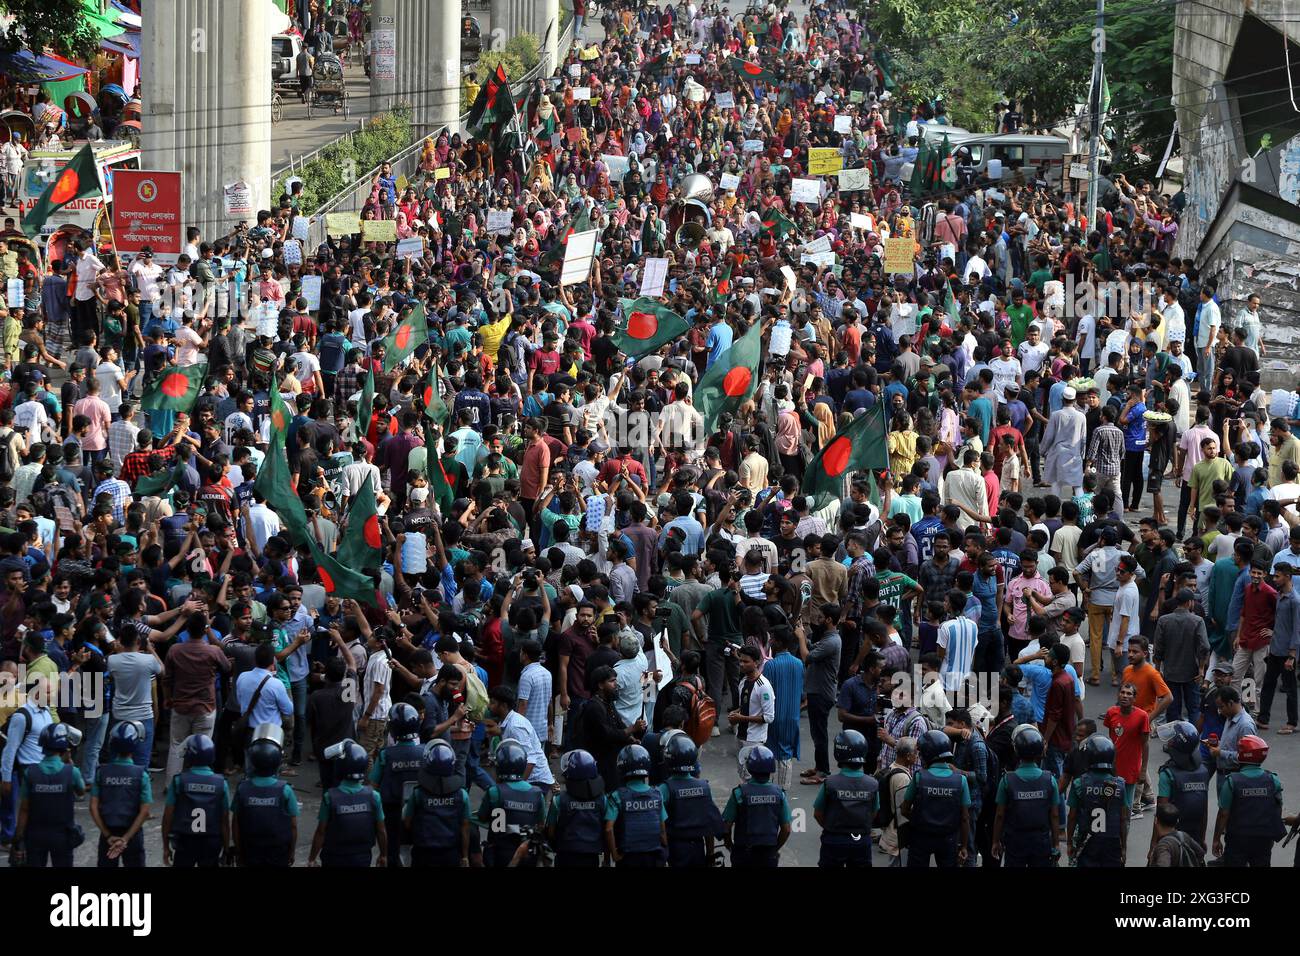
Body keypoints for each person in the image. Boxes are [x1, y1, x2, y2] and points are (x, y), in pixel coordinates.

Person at [13, 723, 85, 867]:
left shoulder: (31, 773)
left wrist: (18, 837)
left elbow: (24, 809)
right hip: (63, 835)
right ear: (65, 749)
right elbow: (81, 792)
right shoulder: (72, 772)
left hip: (35, 835)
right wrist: (70, 763)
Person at [309, 739, 386, 867]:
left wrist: (312, 858)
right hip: (362, 858)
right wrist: (383, 855)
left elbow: (321, 832)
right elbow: (381, 830)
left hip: (333, 857)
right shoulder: (374, 796)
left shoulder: (330, 797)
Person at [901, 729, 971, 868]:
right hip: (948, 839)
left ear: (927, 754)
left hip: (920, 838)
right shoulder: (961, 780)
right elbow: (964, 818)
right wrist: (963, 846)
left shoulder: (918, 777)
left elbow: (904, 809)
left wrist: (919, 819)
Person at [991, 724, 1060, 867]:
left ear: (1016, 751)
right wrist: (1056, 844)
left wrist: (996, 841)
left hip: (1015, 840)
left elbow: (999, 815)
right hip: (1041, 841)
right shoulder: (1050, 780)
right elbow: (1054, 815)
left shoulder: (1007, 780)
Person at [233, 724, 298, 867]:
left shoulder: (242, 789)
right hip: (278, 852)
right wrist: (291, 852)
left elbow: (236, 823)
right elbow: (293, 826)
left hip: (249, 850)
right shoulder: (286, 790)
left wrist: (238, 851)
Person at [1213, 734, 1284, 866]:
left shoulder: (1232, 781)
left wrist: (1216, 839)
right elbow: (1277, 807)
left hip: (1237, 839)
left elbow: (1223, 813)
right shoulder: (1273, 780)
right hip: (1264, 838)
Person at [368, 702, 425, 868]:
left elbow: (373, 785)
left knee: (392, 853)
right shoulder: (426, 752)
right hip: (420, 813)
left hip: (391, 814)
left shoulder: (386, 754)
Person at [813, 730, 879, 868]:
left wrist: (832, 829)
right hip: (861, 841)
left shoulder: (830, 782)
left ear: (838, 753)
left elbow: (818, 813)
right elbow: (873, 813)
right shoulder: (872, 784)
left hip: (833, 840)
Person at [475, 738, 546, 867]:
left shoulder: (495, 792)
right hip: (528, 855)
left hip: (499, 854)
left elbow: (482, 816)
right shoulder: (537, 794)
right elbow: (540, 825)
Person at [89, 720, 151, 868]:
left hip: (108, 833)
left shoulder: (101, 772)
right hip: (133, 835)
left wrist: (108, 835)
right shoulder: (141, 774)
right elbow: (145, 811)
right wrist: (125, 839)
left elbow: (93, 807)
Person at [161, 734, 229, 868]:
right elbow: (224, 820)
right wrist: (226, 849)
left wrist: (165, 846)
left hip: (185, 841)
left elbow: (167, 817)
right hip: (211, 841)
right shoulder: (221, 784)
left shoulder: (179, 781)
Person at [405, 740, 472, 868]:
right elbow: (465, 827)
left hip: (423, 853)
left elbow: (407, 823)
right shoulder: (462, 795)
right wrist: (464, 856)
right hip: (450, 853)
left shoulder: (418, 794)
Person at [659, 734, 723, 868]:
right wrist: (710, 854)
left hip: (675, 849)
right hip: (698, 848)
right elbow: (709, 824)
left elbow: (659, 824)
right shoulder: (704, 787)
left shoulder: (664, 789)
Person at [722, 745, 792, 867]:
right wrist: (774, 849)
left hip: (743, 854)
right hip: (768, 855)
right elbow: (786, 829)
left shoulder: (739, 793)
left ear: (749, 768)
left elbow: (726, 825)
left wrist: (730, 846)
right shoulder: (779, 794)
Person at [1066, 735, 1130, 867]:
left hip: (1087, 841)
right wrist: (1123, 847)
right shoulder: (1120, 784)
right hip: (1111, 842)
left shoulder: (1079, 783)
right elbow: (1123, 819)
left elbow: (1072, 817)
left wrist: (1069, 843)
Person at [1154, 720, 1212, 854]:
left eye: (1172, 738)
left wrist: (1154, 845)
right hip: (1195, 837)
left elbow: (1161, 815)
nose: (1169, 741)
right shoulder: (1203, 771)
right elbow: (1204, 810)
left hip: (1170, 841)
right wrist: (1202, 839)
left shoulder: (1167, 774)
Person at [603, 743, 666, 867]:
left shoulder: (616, 796)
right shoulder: (657, 794)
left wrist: (614, 856)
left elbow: (608, 828)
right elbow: (662, 831)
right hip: (652, 856)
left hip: (628, 858)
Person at [547, 749, 607, 868]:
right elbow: (607, 829)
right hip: (591, 857)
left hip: (565, 856)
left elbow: (550, 832)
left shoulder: (558, 800)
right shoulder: (603, 800)